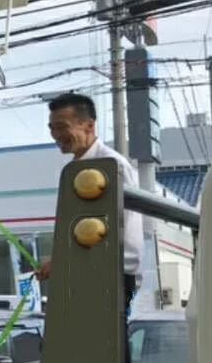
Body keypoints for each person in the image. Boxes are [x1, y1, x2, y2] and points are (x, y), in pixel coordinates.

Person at [35, 93, 143, 316]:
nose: (56, 135)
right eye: (51, 128)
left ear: (89, 125)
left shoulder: (111, 167)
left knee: (101, 347)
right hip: (87, 275)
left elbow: (105, 233)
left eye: (62, 127)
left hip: (110, 277)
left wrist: (61, 260)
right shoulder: (77, 170)